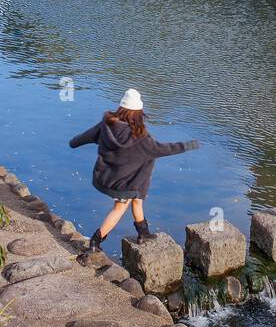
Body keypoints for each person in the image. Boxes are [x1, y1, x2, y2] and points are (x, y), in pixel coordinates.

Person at [70, 88, 199, 252]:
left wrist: (73, 143)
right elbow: (164, 149)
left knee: (137, 199)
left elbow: (85, 136)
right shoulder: (140, 137)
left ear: (121, 109)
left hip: (109, 177)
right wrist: (188, 145)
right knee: (119, 208)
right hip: (124, 182)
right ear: (139, 113)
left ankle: (143, 233)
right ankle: (96, 241)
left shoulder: (106, 125)